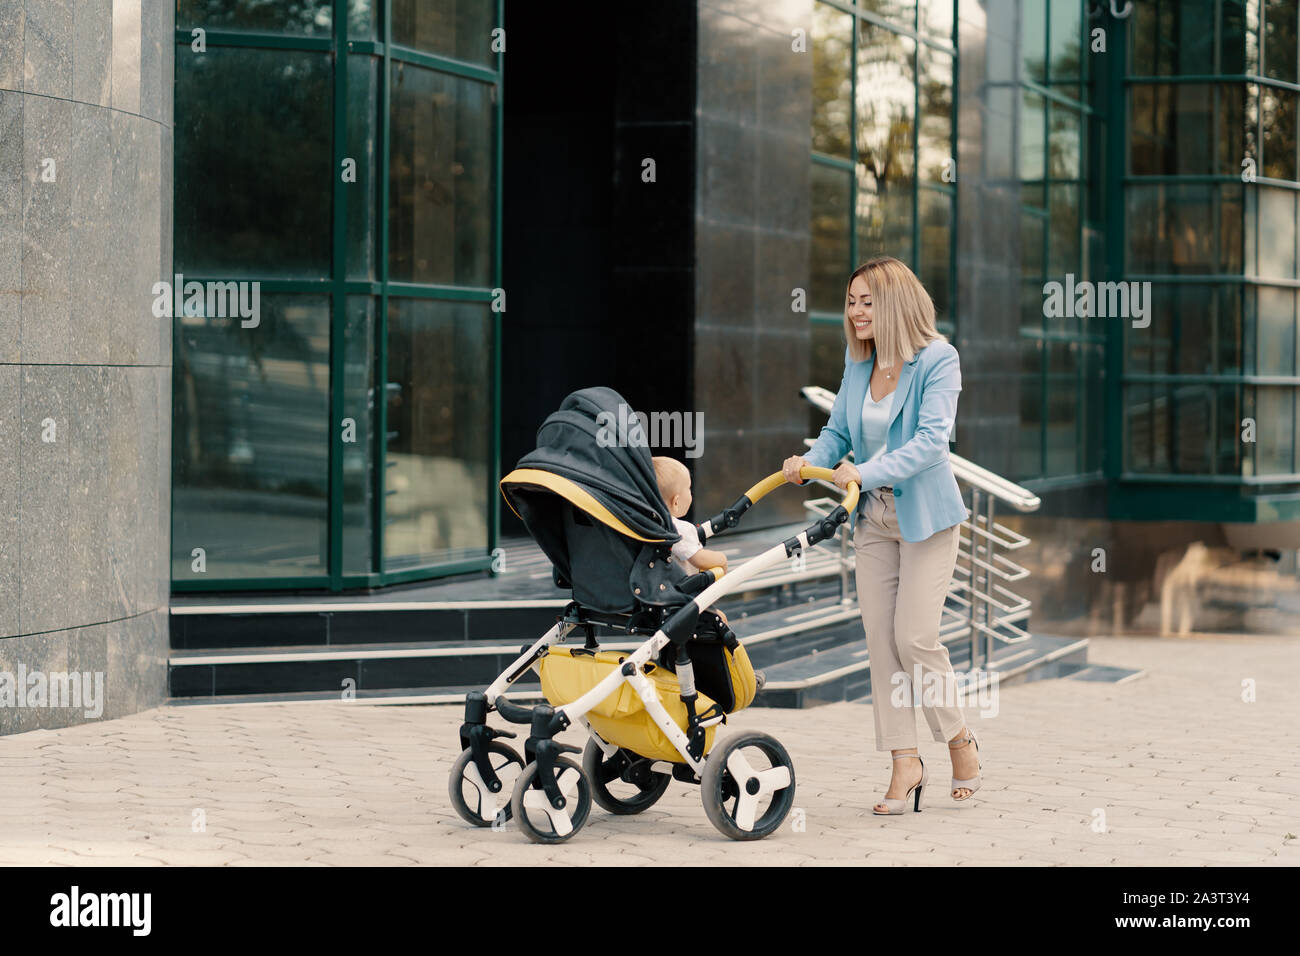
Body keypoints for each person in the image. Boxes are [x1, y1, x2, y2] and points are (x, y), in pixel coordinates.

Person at [781, 256, 983, 814]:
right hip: (873, 519)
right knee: (880, 644)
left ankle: (960, 741)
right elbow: (839, 430)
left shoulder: (939, 360)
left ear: (895, 301)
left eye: (867, 301)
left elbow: (931, 443)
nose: (855, 311)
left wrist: (863, 472)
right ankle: (904, 762)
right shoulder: (858, 361)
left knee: (915, 637)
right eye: (850, 301)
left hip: (926, 519)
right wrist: (810, 463)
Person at [652, 456, 728, 574]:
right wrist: (721, 559)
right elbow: (700, 559)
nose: (691, 493)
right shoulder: (677, 529)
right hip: (680, 588)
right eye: (688, 489)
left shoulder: (644, 523)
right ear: (676, 502)